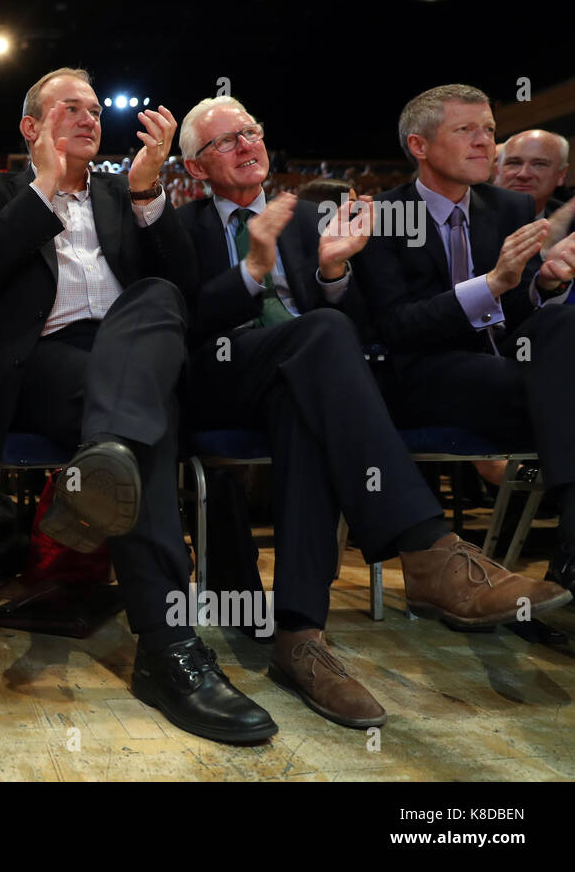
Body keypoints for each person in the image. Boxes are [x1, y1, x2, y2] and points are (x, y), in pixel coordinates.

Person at [176, 96, 569, 728]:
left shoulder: (314, 219)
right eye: (226, 142)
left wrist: (332, 271)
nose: (248, 145)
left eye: (251, 131)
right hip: (221, 377)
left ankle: (300, 638)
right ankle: (427, 548)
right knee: (322, 335)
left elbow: (369, 332)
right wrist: (254, 267)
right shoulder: (180, 226)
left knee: (314, 384)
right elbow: (187, 321)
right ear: (195, 169)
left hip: (304, 380)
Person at [0, 67, 276, 745]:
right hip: (40, 366)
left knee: (156, 303)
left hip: (135, 352)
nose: (89, 116)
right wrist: (43, 187)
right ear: (30, 127)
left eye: (96, 108)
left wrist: (148, 191)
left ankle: (104, 482)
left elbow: (184, 293)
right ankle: (170, 654)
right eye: (70, 106)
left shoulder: (119, 192)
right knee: (145, 429)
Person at [353, 84, 575, 596]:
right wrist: (493, 283)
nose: (486, 144)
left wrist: (544, 283)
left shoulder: (511, 207)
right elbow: (397, 327)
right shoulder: (382, 216)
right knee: (550, 386)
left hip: (507, 370)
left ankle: (568, 556)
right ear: (419, 146)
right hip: (422, 374)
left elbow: (518, 315)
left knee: (564, 323)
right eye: (466, 130)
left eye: (490, 131)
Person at [495, 129, 571, 219]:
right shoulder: (475, 217)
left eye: (539, 164)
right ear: (497, 170)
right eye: (514, 163)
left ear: (561, 175)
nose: (523, 174)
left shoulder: (570, 222)